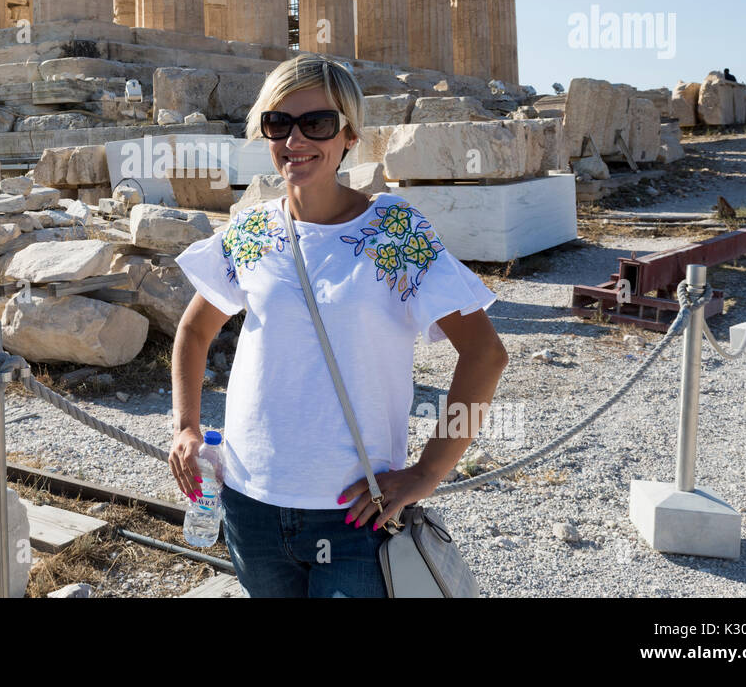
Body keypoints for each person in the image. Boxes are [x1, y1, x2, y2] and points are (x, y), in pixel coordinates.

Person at [170, 53, 508, 598]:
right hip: (249, 502)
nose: (295, 139)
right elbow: (193, 331)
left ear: (348, 134)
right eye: (278, 123)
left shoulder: (396, 230)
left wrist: (427, 472)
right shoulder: (252, 228)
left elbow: (486, 354)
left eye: (317, 123)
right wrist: (186, 426)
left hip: (354, 512)